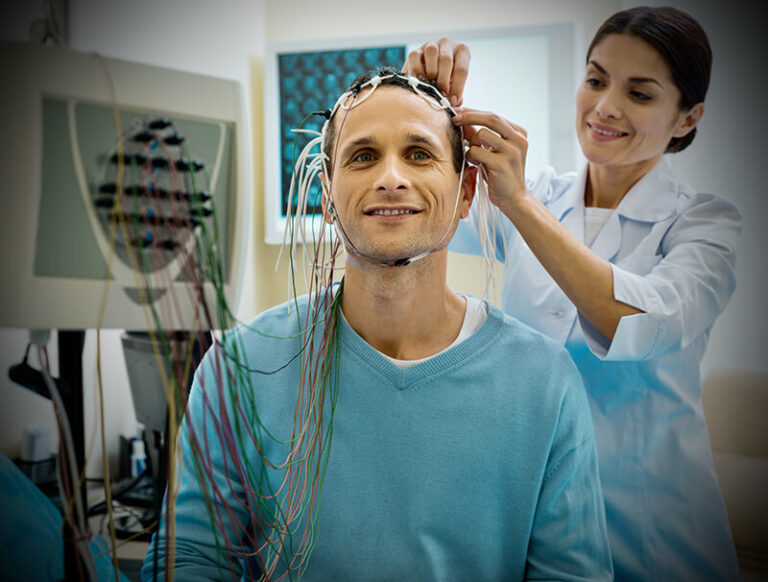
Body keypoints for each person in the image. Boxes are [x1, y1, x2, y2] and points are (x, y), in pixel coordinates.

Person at [141, 70, 613, 580]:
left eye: (419, 154)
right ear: (326, 194)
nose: (392, 178)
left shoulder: (543, 383)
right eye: (363, 156)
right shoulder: (240, 367)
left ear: (466, 191)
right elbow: (189, 560)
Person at [405, 6, 740, 581]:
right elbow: (420, 216)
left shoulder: (706, 224)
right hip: (535, 507)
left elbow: (640, 319)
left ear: (687, 118)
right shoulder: (537, 197)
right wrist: (424, 106)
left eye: (640, 93)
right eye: (596, 79)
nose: (606, 106)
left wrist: (520, 205)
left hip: (652, 526)